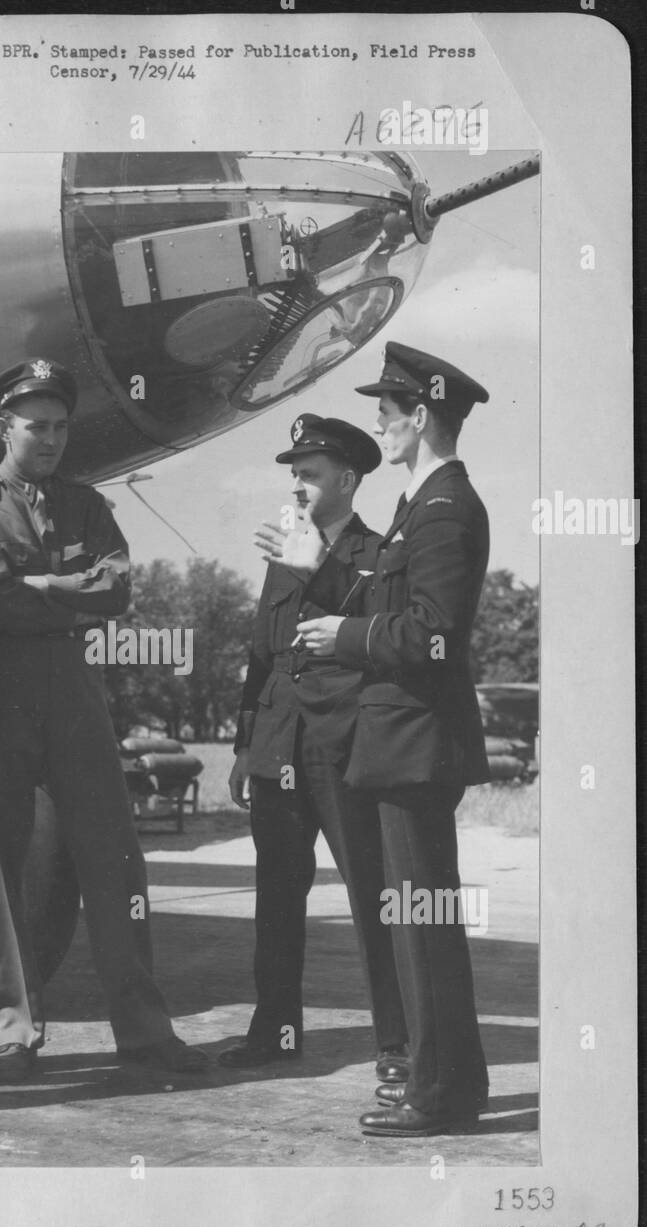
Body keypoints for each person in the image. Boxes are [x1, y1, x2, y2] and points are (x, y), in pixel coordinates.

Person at [0, 358, 209, 1080]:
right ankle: (13, 1034)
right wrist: (68, 587)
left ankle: (145, 1032)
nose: (53, 438)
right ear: (4, 427)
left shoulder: (87, 504)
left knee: (114, 856)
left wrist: (40, 583)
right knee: (1, 863)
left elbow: (118, 587)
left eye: (62, 426)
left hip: (71, 685)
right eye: (38, 426)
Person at [297, 342, 492, 1137]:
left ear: (420, 416)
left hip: (416, 747)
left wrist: (346, 636)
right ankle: (438, 1077)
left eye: (387, 408)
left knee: (423, 928)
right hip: (399, 744)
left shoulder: (445, 506)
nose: (378, 418)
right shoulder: (423, 503)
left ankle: (440, 1095)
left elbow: (434, 634)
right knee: (415, 923)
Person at [222, 414, 409, 1083]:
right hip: (278, 747)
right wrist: (246, 746)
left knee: (369, 896)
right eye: (292, 473)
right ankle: (273, 1033)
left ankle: (396, 1044)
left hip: (340, 748)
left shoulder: (378, 555)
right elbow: (259, 655)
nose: (295, 485)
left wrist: (318, 566)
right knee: (276, 897)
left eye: (308, 473)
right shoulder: (282, 552)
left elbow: (377, 642)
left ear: (348, 479)